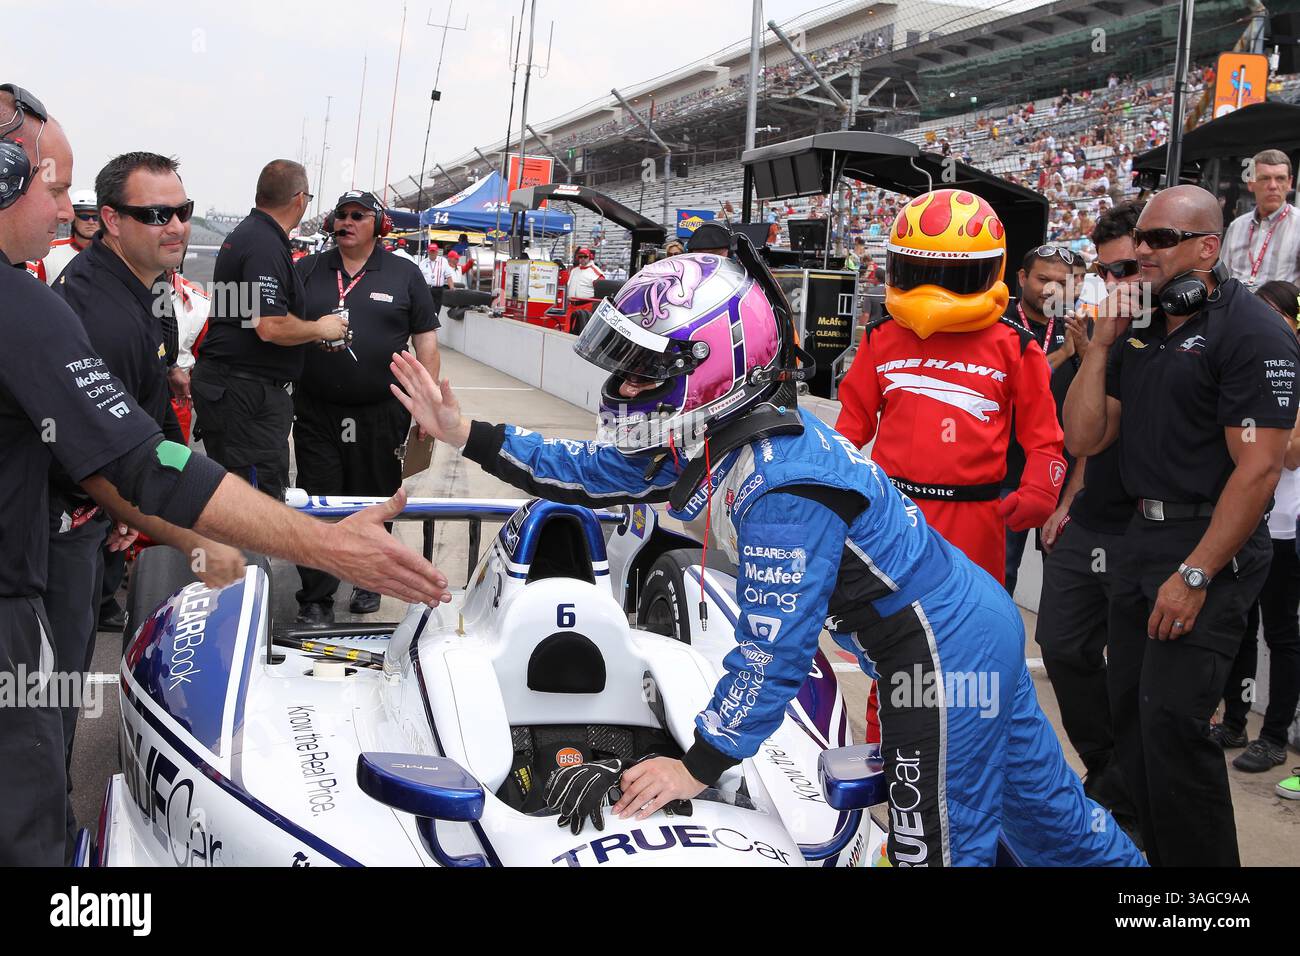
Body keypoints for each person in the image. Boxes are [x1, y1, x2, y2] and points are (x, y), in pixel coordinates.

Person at [390, 246, 1143, 867]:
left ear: (712, 364)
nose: (623, 387)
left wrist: (698, 765)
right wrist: (466, 434)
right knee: (1054, 826)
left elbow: (772, 654)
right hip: (961, 626)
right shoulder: (723, 433)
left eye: (645, 369)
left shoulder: (781, 484)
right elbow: (593, 474)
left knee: (937, 851)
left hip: (939, 659)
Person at [0, 83, 451, 865]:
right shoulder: (57, 305)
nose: (58, 212)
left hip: (60, 544)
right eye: (56, 188)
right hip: (46, 557)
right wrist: (319, 544)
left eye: (183, 211)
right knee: (33, 784)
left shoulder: (121, 298)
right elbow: (136, 463)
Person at [1063, 184, 1300, 866]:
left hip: (1207, 549)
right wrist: (1101, 346)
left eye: (1160, 240)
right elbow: (1085, 438)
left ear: (1206, 247)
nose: (1141, 250)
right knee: (1132, 721)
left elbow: (1258, 472)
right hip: (1139, 540)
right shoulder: (1136, 326)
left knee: (1172, 725)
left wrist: (1196, 573)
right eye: (1140, 237)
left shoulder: (1250, 330)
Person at [47, 150, 238, 857]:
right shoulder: (98, 311)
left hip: (99, 522)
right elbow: (105, 452)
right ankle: (49, 839)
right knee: (49, 701)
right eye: (155, 214)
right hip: (56, 531)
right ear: (109, 222)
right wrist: (158, 517)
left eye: (182, 211)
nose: (175, 225)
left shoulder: (148, 291)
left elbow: (145, 417)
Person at [1035, 202, 1145, 829]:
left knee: (1136, 671)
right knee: (1061, 643)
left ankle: (1128, 783)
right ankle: (1107, 768)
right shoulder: (1102, 330)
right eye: (1108, 269)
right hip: (1095, 514)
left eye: (1129, 265)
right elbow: (1083, 441)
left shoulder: (1169, 328)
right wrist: (1068, 503)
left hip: (1152, 527)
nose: (1121, 279)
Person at [291, 190, 442, 624]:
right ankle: (316, 598)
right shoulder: (308, 269)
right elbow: (275, 322)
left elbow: (426, 344)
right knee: (320, 502)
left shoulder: (404, 273)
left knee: (373, 498)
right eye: (342, 215)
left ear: (380, 224)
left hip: (382, 413)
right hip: (317, 410)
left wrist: (424, 405)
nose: (348, 222)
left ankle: (370, 581)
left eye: (359, 215)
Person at [192, 159, 345, 501]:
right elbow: (269, 326)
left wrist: (305, 333)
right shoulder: (263, 243)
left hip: (237, 389)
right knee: (255, 502)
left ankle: (243, 554)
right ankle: (244, 557)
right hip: (246, 394)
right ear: (300, 199)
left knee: (249, 492)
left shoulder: (252, 235)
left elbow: (251, 317)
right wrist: (319, 328)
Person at [1212, 279, 1300, 776]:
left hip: (1288, 525)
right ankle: (1236, 720)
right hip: (1251, 520)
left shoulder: (1287, 371)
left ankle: (1275, 736)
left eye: (1275, 315)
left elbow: (1287, 455)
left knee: (1282, 635)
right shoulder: (1248, 367)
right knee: (1242, 628)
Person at [1002, 245, 1086, 595]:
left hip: (1061, 474)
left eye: (1061, 282)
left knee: (1063, 581)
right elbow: (1009, 385)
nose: (1051, 289)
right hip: (1006, 471)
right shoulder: (996, 319)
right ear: (1022, 278)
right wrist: (1065, 353)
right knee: (999, 572)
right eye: (1042, 279)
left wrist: (1087, 354)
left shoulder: (1081, 327)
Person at [1220, 149, 1299, 290]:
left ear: (1289, 183)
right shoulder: (1236, 227)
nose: (1273, 186)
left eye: (1280, 178)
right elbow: (1222, 279)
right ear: (1251, 183)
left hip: (1280, 311)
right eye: (1265, 178)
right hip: (1237, 310)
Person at [27, 187, 96, 284]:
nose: (91, 222)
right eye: (84, 217)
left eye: (96, 217)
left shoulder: (113, 253)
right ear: (73, 218)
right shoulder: (48, 252)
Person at [421, 241, 455, 315]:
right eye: (431, 252)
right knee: (427, 309)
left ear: (437, 252)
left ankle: (435, 325)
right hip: (427, 289)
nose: (432, 254)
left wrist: (452, 289)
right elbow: (418, 278)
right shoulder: (423, 263)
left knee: (436, 311)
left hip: (438, 290)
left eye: (434, 252)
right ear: (428, 252)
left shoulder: (443, 261)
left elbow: (448, 276)